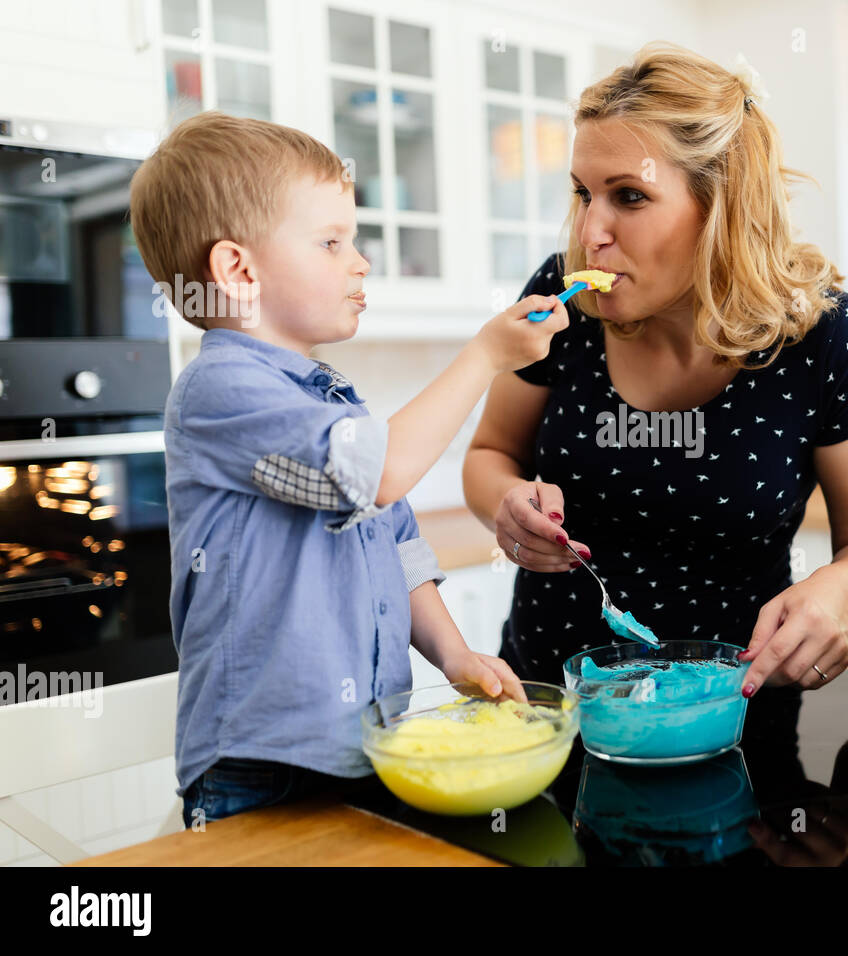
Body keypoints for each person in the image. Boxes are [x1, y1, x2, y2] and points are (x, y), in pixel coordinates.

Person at [463, 43, 848, 756]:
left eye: (630, 196)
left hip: (733, 725)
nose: (590, 234)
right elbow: (490, 455)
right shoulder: (559, 302)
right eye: (583, 193)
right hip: (543, 717)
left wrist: (838, 595)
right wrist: (505, 503)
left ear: (723, 205)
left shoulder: (826, 334)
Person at [128, 111, 567, 825]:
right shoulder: (220, 391)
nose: (359, 261)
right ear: (238, 270)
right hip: (259, 764)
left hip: (364, 745)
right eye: (332, 242)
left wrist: (455, 656)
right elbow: (379, 475)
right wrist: (484, 356)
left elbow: (391, 537)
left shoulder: (327, 396)